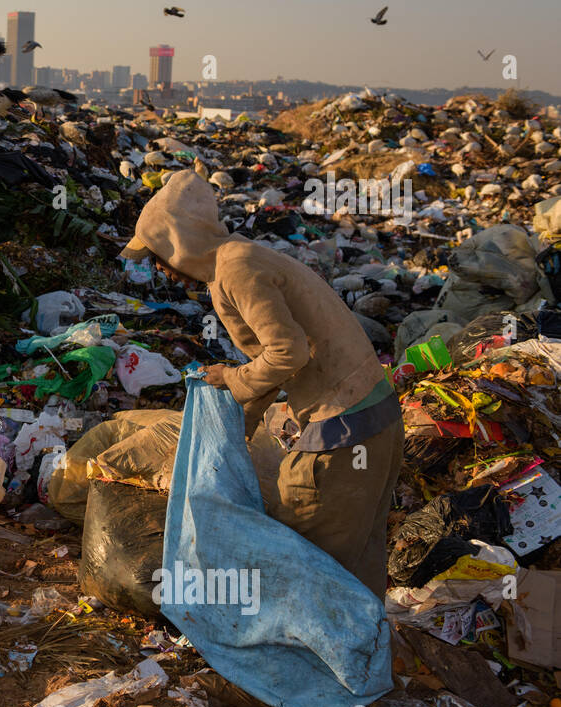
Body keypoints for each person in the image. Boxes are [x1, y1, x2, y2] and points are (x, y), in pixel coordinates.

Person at [120, 171, 402, 598]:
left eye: (157, 255)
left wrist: (228, 378)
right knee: (356, 559)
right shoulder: (243, 257)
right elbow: (277, 359)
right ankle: (359, 656)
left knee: (302, 559)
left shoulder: (237, 270)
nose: (160, 269)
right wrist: (238, 428)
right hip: (376, 419)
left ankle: (306, 660)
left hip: (344, 432)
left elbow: (287, 355)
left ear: (177, 243)